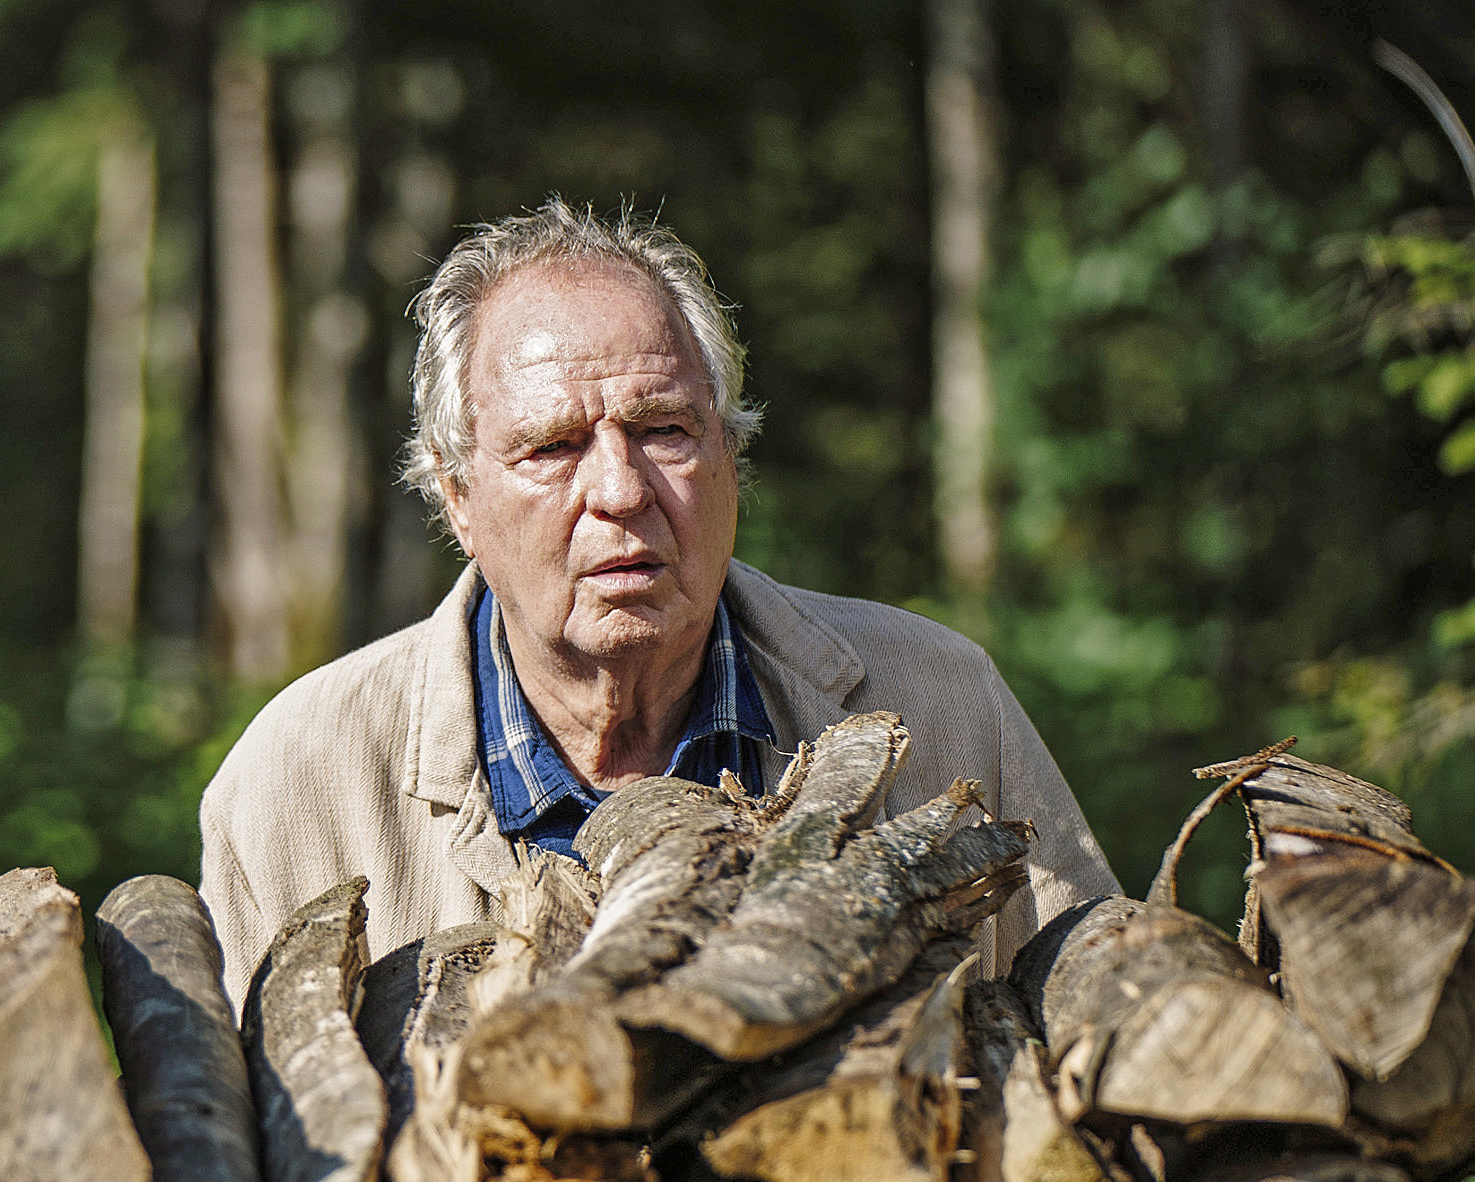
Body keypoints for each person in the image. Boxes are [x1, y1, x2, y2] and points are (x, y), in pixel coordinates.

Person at [198, 203, 1118, 1003]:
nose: (620, 490)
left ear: (729, 454)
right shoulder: (294, 780)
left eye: (663, 430)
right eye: (551, 447)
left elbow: (1094, 1019)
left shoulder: (939, 705)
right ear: (457, 498)